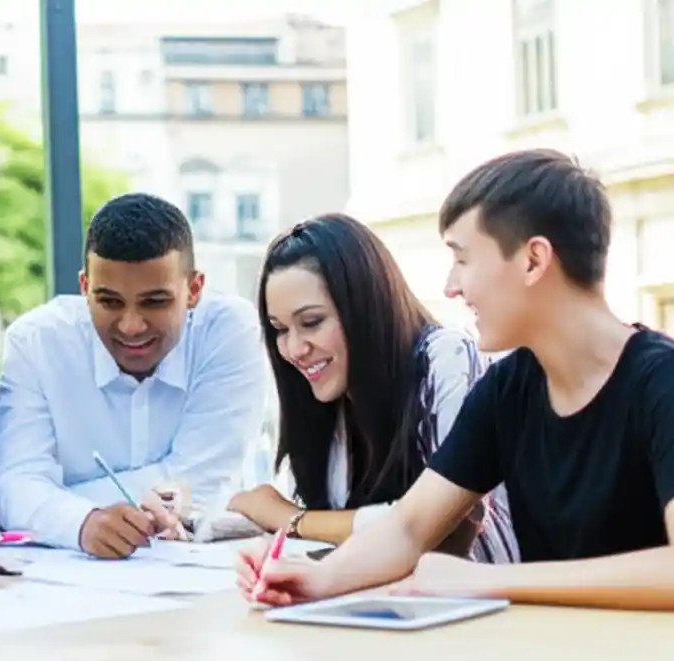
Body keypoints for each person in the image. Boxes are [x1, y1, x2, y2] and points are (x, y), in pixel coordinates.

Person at [239, 149, 674, 612]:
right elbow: (409, 528)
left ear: (533, 260)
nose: (451, 286)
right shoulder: (508, 389)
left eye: (462, 260)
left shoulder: (661, 383)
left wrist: (489, 581)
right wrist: (315, 579)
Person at [0, 192, 269, 559]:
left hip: (205, 570)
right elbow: (9, 487)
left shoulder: (228, 331)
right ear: (85, 289)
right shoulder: (37, 341)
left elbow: (203, 480)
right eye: (110, 301)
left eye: (155, 302)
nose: (132, 326)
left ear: (194, 290)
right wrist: (83, 523)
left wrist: (60, 506)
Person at [228, 213, 517, 563]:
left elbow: (433, 527)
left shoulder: (445, 357)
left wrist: (288, 517)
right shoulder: (325, 399)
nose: (294, 349)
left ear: (366, 306)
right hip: (369, 605)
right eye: (280, 329)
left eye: (311, 322)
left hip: (479, 606)